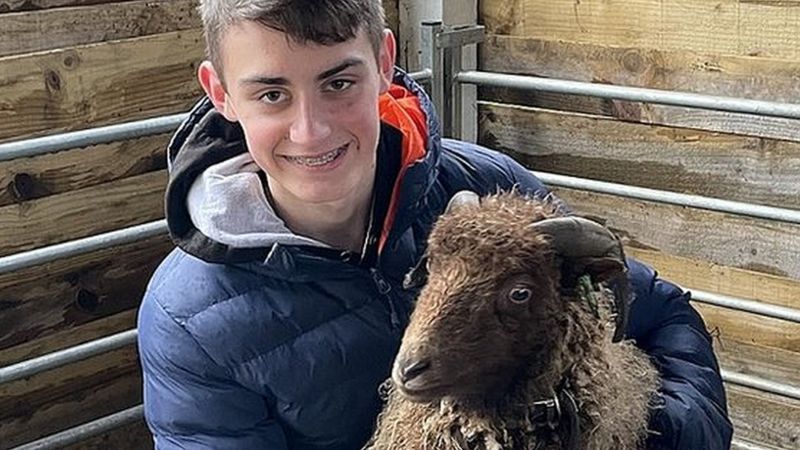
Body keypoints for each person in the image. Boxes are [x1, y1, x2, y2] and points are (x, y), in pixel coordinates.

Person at [136, 1, 733, 448]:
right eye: (272, 94)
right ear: (220, 94)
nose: (310, 130)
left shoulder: (494, 193)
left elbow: (663, 315)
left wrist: (652, 434)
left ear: (384, 64)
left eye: (338, 82)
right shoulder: (189, 319)